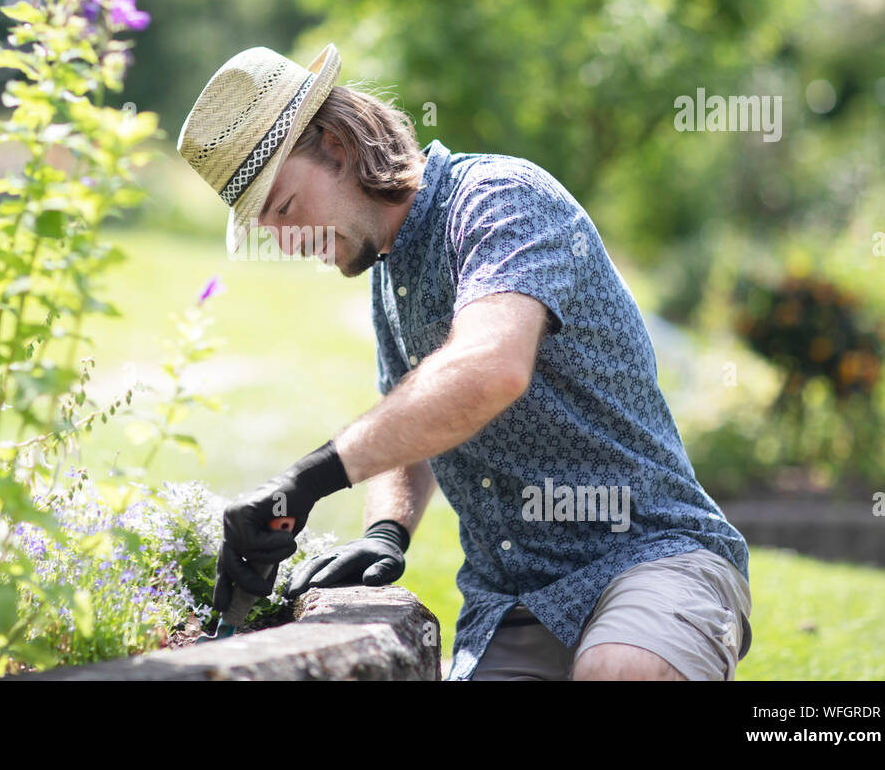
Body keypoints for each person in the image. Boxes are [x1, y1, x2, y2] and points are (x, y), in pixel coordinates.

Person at [176, 43, 752, 681]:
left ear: (337, 146)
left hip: (653, 558)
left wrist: (309, 478)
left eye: (284, 208)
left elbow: (488, 370)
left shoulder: (500, 200)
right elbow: (414, 419)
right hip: (512, 606)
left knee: (620, 670)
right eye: (269, 227)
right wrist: (387, 531)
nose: (287, 242)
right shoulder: (389, 274)